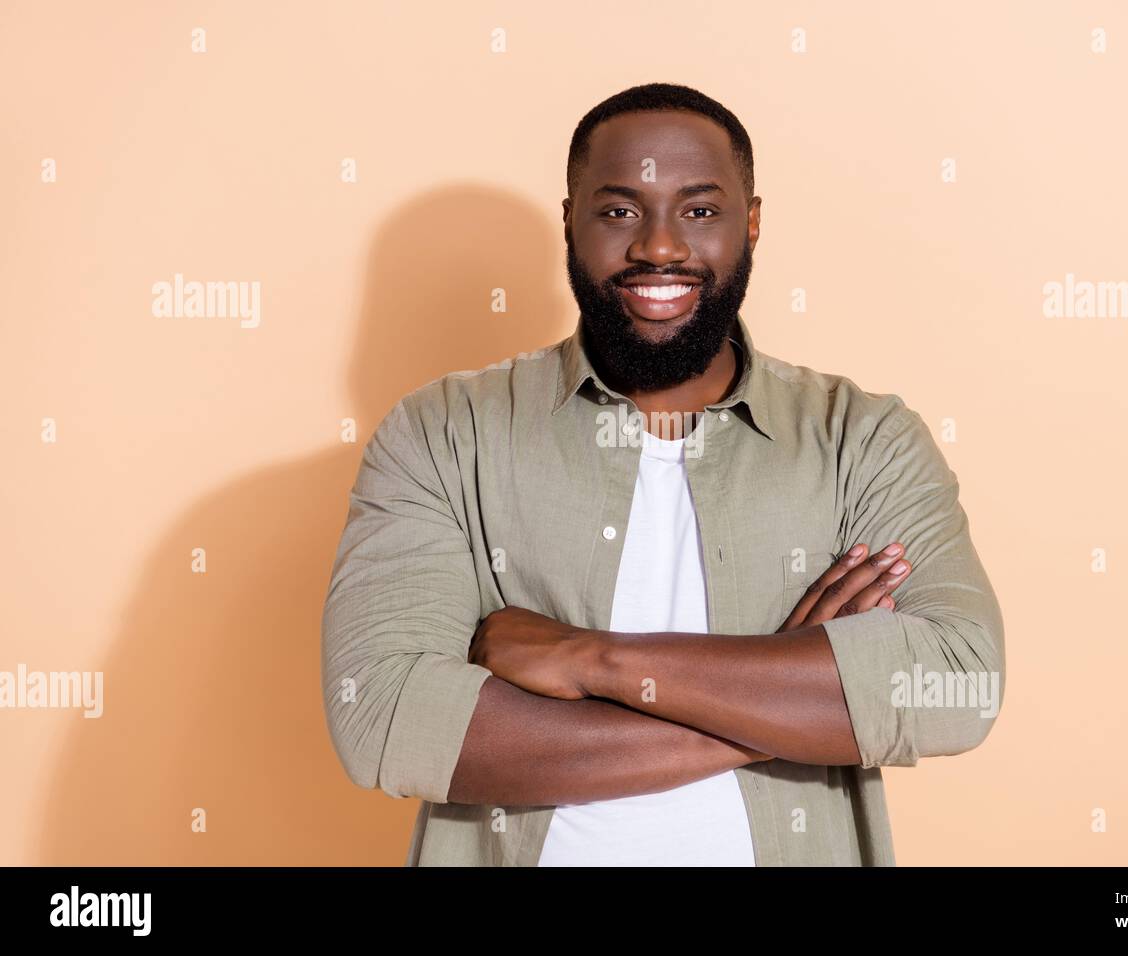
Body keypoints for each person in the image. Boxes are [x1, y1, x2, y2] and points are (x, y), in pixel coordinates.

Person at [321, 82, 1004, 866]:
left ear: (751, 224)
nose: (660, 247)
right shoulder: (444, 433)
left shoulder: (862, 439)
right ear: (569, 223)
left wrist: (592, 658)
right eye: (619, 211)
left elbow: (956, 685)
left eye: (701, 210)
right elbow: (387, 719)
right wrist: (784, 690)